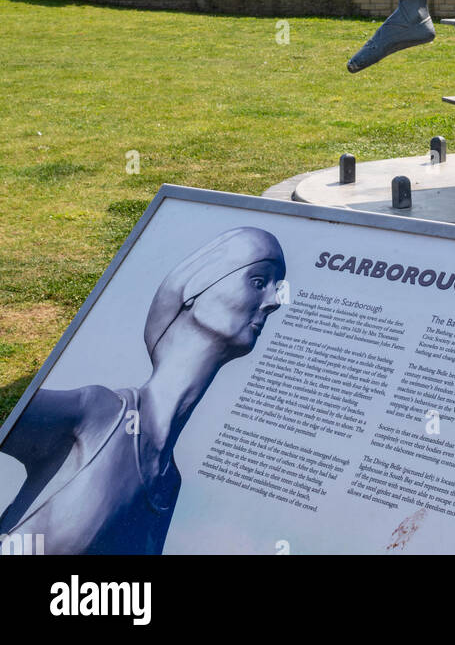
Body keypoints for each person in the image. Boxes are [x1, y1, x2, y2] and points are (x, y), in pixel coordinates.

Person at [0, 227, 286, 554]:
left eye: (277, 288)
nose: (275, 301)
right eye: (259, 281)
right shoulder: (97, 414)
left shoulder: (168, 484)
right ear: (196, 287)